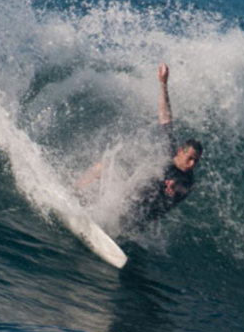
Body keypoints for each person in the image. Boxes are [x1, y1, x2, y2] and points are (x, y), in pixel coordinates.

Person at [79, 62, 204, 228]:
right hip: (128, 201)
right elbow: (165, 117)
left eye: (196, 161)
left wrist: (174, 188)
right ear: (180, 152)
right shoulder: (169, 151)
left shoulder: (187, 180)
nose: (192, 164)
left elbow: (182, 188)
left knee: (150, 187)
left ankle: (105, 220)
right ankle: (72, 193)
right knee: (103, 167)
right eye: (190, 159)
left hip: (137, 219)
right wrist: (163, 84)